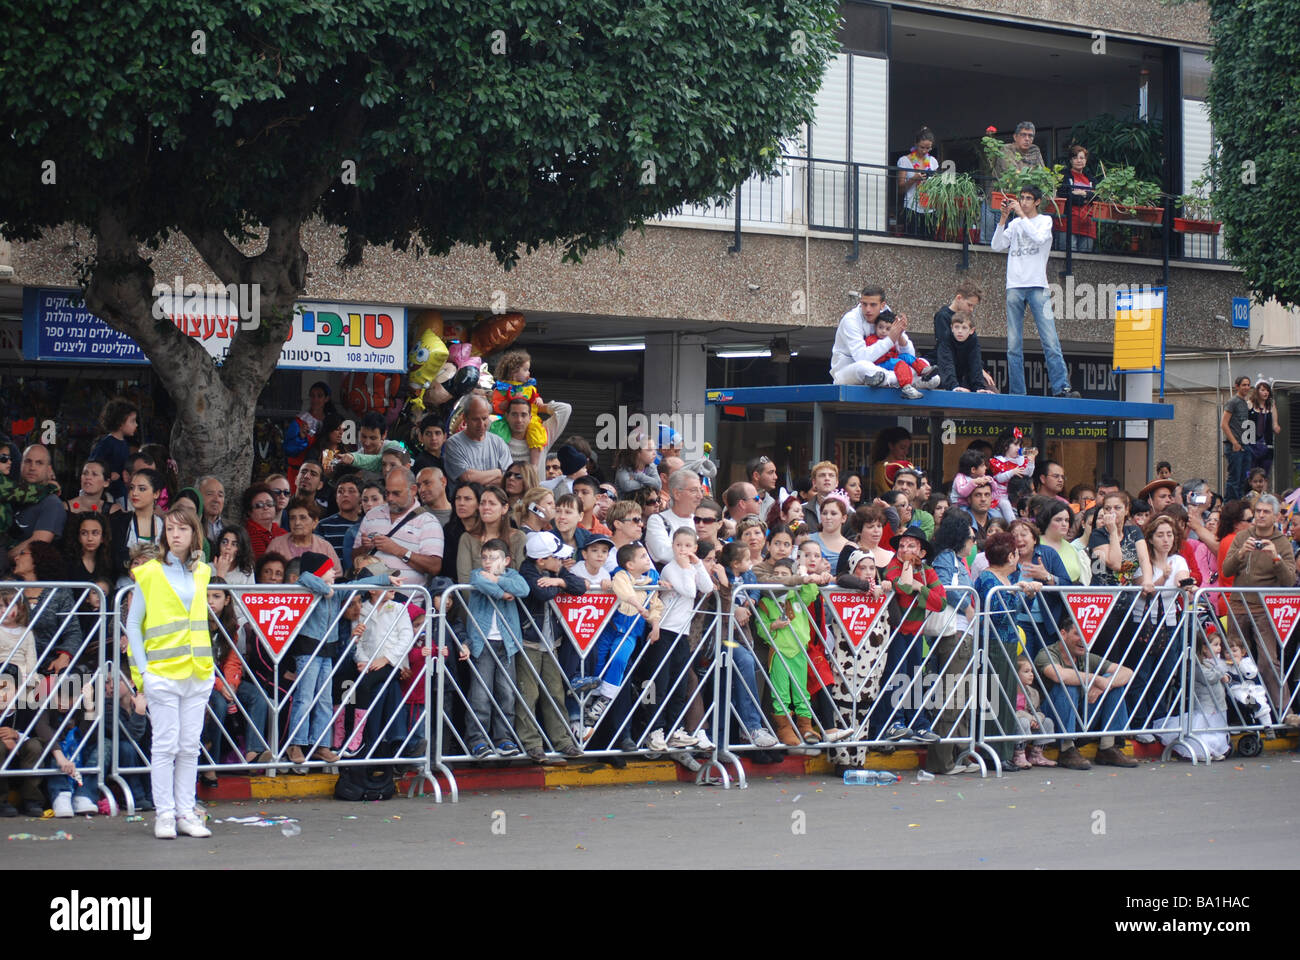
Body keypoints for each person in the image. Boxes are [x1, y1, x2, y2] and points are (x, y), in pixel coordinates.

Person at [124, 505, 216, 839]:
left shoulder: (202, 571)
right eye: (171, 529)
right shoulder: (149, 571)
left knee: (190, 745)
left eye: (183, 529)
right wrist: (142, 674)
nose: (175, 534)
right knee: (165, 745)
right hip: (162, 672)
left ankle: (185, 812)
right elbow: (133, 624)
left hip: (197, 670)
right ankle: (165, 814)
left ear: (194, 533)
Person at [991, 185, 1079, 398]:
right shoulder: (1015, 223)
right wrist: (1003, 219)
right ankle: (1017, 392)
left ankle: (1061, 388)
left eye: (1028, 198)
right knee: (1013, 344)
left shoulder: (1045, 221)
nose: (1024, 202)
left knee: (1050, 340)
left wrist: (1021, 215)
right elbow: (996, 245)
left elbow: (1040, 239)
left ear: (1038, 201)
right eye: (1021, 198)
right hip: (1014, 285)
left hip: (1038, 285)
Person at [515, 531, 587, 764]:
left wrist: (560, 580)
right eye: (557, 558)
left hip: (551, 642)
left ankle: (562, 740)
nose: (562, 562)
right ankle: (531, 743)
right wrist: (558, 584)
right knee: (529, 693)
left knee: (555, 692)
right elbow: (542, 593)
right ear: (541, 560)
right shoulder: (526, 572)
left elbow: (580, 586)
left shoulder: (555, 570)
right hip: (529, 641)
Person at [1221, 494, 1297, 714]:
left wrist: (1276, 558)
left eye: (1266, 512)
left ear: (1275, 516)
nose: (1261, 515)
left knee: (1266, 661)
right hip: (1238, 605)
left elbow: (1289, 580)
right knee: (1233, 659)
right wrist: (1242, 552)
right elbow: (1226, 571)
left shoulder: (1282, 543)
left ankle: (1284, 711)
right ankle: (1235, 713)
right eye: (1259, 511)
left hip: (1264, 608)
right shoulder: (1242, 536)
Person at [1035, 615, 1139, 770]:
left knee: (1114, 683)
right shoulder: (1047, 653)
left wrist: (1105, 685)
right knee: (1068, 685)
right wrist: (1094, 679)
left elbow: (1127, 672)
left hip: (1080, 720)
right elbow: (1059, 675)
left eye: (1086, 635)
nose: (1083, 639)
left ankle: (1107, 747)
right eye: (1077, 634)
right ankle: (1067, 749)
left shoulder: (1086, 657)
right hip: (1049, 724)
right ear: (1063, 633)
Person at [462, 538, 529, 759]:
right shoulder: (477, 574)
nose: (488, 562)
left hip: (506, 643)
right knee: (480, 694)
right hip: (482, 642)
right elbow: (481, 583)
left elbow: (523, 589)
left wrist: (497, 579)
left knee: (507, 692)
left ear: (507, 560)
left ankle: (504, 738)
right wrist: (501, 593)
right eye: (485, 557)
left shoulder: (512, 576)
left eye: (494, 557)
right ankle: (478, 739)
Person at [353, 467, 444, 588]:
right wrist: (364, 548)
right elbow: (354, 558)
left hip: (408, 603)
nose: (390, 498)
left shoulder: (428, 522)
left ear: (413, 490)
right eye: (387, 493)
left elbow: (434, 567)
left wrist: (397, 550)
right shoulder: (371, 515)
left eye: (396, 493)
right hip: (370, 601)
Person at [442, 396, 513, 488]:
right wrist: (498, 472)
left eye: (484, 418)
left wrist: (481, 479)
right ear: (465, 418)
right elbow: (467, 477)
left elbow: (509, 477)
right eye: (475, 419)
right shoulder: (454, 444)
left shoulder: (498, 442)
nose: (481, 424)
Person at [10, 445, 67, 553]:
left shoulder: (52, 503)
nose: (32, 467)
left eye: (39, 463)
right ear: (20, 464)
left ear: (49, 469)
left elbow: (38, 545)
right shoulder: (11, 493)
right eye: (27, 461)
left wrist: (5, 558)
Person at [645, 468, 702, 566]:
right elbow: (662, 554)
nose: (700, 496)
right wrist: (698, 556)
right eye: (693, 491)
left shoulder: (701, 521)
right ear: (677, 494)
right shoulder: (658, 520)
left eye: (700, 490)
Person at [88, 397, 139, 502]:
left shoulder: (124, 444)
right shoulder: (106, 443)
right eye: (132, 421)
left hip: (121, 491)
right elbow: (94, 464)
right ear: (121, 423)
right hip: (107, 493)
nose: (136, 425)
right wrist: (108, 474)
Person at [269, 497, 341, 569]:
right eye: (292, 518)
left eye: (303, 518)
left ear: (315, 522)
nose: (297, 523)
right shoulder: (276, 545)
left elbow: (336, 574)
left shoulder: (325, 548)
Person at [1012, 656, 1057, 768]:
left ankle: (1036, 755)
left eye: (1031, 671)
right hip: (1014, 725)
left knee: (1047, 722)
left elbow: (1038, 711)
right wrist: (1029, 718)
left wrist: (1037, 718)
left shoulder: (1033, 692)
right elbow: (1011, 712)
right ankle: (1018, 754)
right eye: (1026, 671)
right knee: (1023, 722)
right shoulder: (1008, 691)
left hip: (1030, 723)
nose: (1031, 674)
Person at [1055, 144, 1097, 252]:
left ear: (1086, 160)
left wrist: (1081, 193)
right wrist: (1086, 197)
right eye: (1075, 158)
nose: (1079, 160)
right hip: (1067, 224)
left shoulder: (1091, 178)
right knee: (1067, 259)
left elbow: (1098, 197)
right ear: (1070, 160)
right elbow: (1063, 194)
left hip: (1088, 225)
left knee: (1084, 262)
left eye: (1082, 158)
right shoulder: (1064, 175)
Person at [317, 474, 364, 566]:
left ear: (361, 497)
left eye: (351, 491)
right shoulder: (323, 525)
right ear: (336, 498)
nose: (345, 495)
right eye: (340, 491)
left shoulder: (366, 524)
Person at [1221, 376, 1254, 501]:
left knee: (1243, 479)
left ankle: (1239, 504)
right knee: (1234, 478)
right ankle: (1229, 504)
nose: (1246, 387)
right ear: (1237, 386)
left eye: (1248, 385)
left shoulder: (1245, 403)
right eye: (1244, 385)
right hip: (1234, 446)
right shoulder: (1233, 402)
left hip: (1244, 445)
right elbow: (1224, 424)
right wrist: (1234, 442)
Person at [1246, 377, 1282, 480]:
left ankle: (1262, 494)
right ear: (1257, 391)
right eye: (1262, 390)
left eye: (1267, 390)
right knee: (1250, 474)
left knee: (1264, 474)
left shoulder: (1271, 405)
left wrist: (1277, 428)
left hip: (1267, 445)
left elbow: (1275, 424)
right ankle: (1250, 494)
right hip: (1251, 445)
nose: (1265, 393)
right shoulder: (1249, 404)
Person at [748, 455, 779, 520]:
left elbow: (783, 527)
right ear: (756, 476)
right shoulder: (738, 502)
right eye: (771, 472)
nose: (776, 477)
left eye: (775, 472)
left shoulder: (773, 504)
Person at [196, 475, 225, 544]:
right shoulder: (191, 526)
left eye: (220, 495)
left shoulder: (231, 526)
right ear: (198, 497)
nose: (216, 499)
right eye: (210, 494)